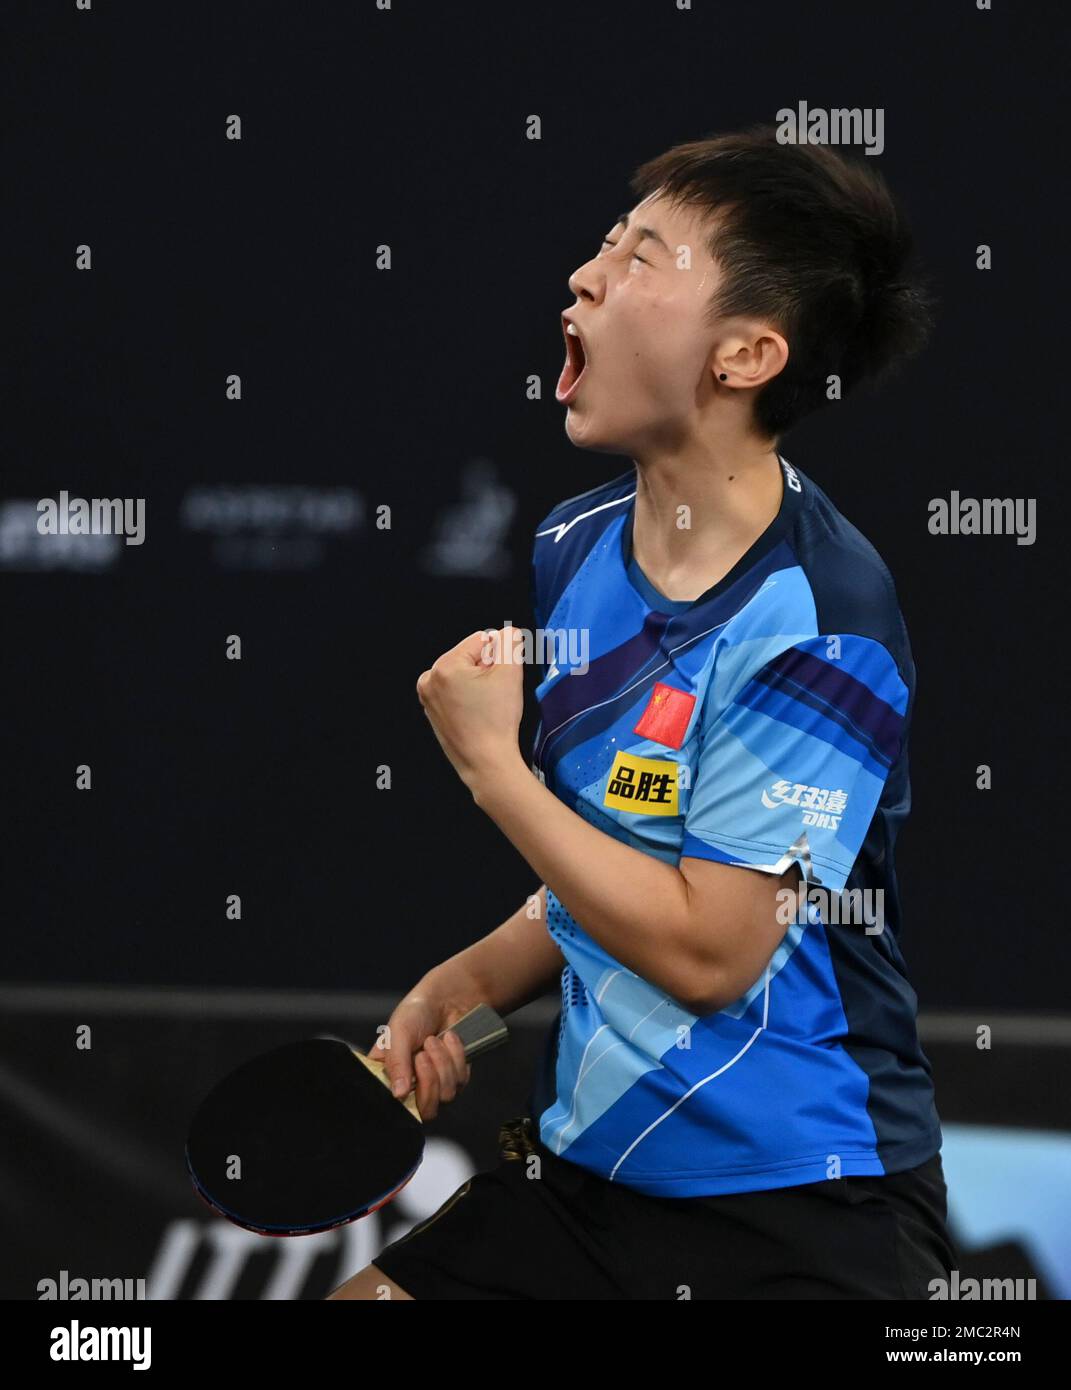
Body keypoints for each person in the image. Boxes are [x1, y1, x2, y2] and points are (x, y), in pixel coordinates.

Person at [327, 125, 957, 1300]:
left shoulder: (823, 618)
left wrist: (493, 772)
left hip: (800, 1206)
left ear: (747, 354)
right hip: (587, 1180)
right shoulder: (574, 549)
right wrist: (465, 984)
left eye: (644, 258)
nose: (587, 274)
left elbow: (711, 949)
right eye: (605, 244)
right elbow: (615, 857)